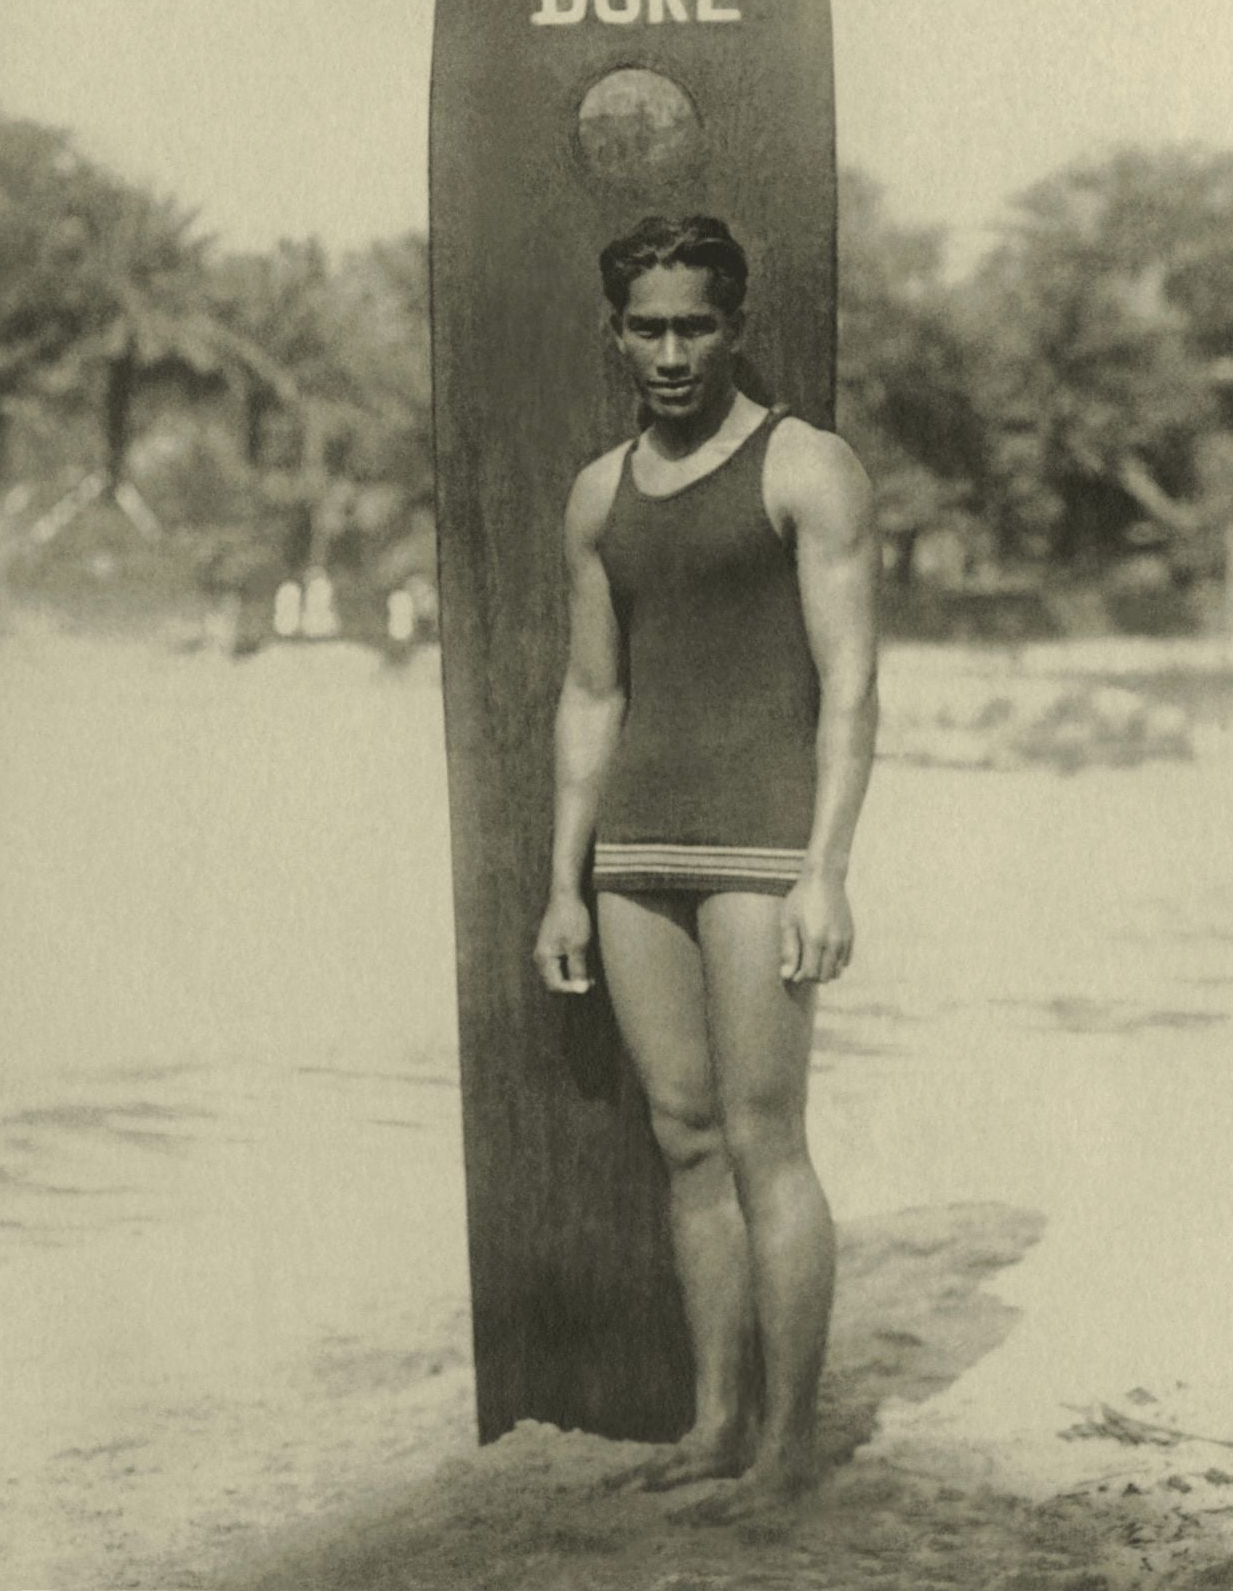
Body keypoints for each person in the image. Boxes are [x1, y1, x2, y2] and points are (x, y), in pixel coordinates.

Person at [533, 213, 879, 1515]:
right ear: (614, 332)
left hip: (756, 843)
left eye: (693, 325)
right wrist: (566, 881)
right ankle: (713, 1422)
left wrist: (825, 868)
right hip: (635, 849)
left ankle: (788, 1444)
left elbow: (849, 685)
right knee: (683, 1141)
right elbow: (586, 693)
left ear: (732, 325)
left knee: (759, 1138)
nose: (670, 351)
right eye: (646, 327)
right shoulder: (595, 491)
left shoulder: (807, 467)